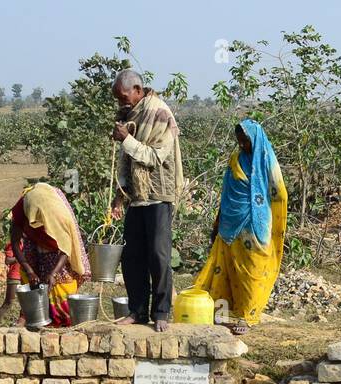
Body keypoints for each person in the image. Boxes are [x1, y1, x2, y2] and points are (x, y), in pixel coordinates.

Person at [192, 119, 287, 335]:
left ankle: (248, 315)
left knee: (251, 270)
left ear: (255, 139)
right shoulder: (235, 159)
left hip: (255, 223)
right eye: (240, 141)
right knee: (228, 270)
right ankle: (223, 312)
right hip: (229, 223)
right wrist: (218, 220)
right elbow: (226, 191)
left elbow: (279, 191)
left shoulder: (265, 160)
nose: (243, 145)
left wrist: (267, 213)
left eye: (246, 141)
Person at [109, 69, 183, 332]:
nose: (121, 103)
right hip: (136, 197)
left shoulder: (160, 113)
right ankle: (137, 310)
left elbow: (154, 157)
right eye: (118, 99)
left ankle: (161, 312)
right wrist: (120, 195)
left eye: (124, 96)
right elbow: (126, 162)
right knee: (132, 256)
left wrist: (127, 140)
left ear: (138, 90)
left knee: (158, 255)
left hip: (158, 195)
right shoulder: (131, 115)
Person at [9, 182, 90, 327]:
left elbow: (66, 248)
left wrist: (53, 273)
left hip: (58, 250)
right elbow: (15, 243)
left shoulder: (59, 215)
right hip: (32, 244)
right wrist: (30, 270)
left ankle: (63, 323)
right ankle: (29, 316)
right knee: (31, 283)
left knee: (62, 284)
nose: (39, 223)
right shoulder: (23, 208)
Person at [0, 240, 27, 326]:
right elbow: (8, 260)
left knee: (26, 303)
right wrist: (20, 257)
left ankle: (21, 324)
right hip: (15, 275)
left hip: (25, 276)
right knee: (8, 302)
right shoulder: (14, 243)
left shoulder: (27, 243)